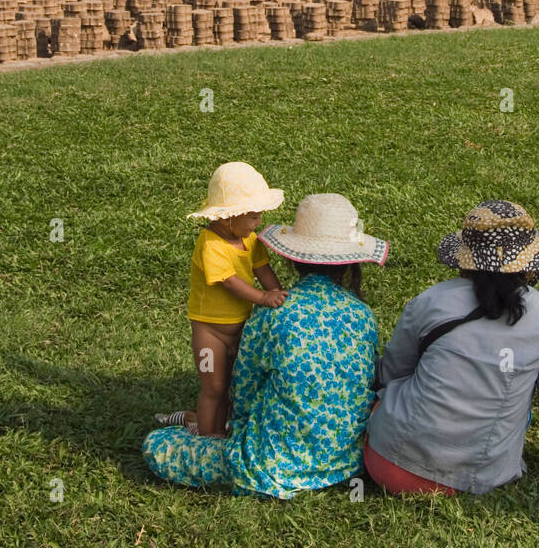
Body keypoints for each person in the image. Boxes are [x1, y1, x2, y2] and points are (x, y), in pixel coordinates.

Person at [365, 200, 539, 502]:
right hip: (476, 479)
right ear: (529, 262)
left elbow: (392, 373)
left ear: (464, 258)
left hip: (388, 464)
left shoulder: (430, 301)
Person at [144, 194, 388, 497]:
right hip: (345, 462)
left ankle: (196, 428)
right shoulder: (362, 315)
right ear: (351, 261)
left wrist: (239, 428)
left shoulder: (270, 315)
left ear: (291, 258)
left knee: (157, 445)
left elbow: (244, 391)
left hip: (269, 465)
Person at [178, 163, 287, 438]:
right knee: (213, 386)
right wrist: (263, 297)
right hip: (210, 331)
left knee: (235, 383)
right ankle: (207, 436)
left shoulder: (249, 239)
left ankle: (223, 426)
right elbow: (230, 281)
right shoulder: (210, 244)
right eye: (253, 216)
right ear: (229, 216)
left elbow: (263, 269)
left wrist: (281, 295)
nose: (258, 222)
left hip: (240, 327)